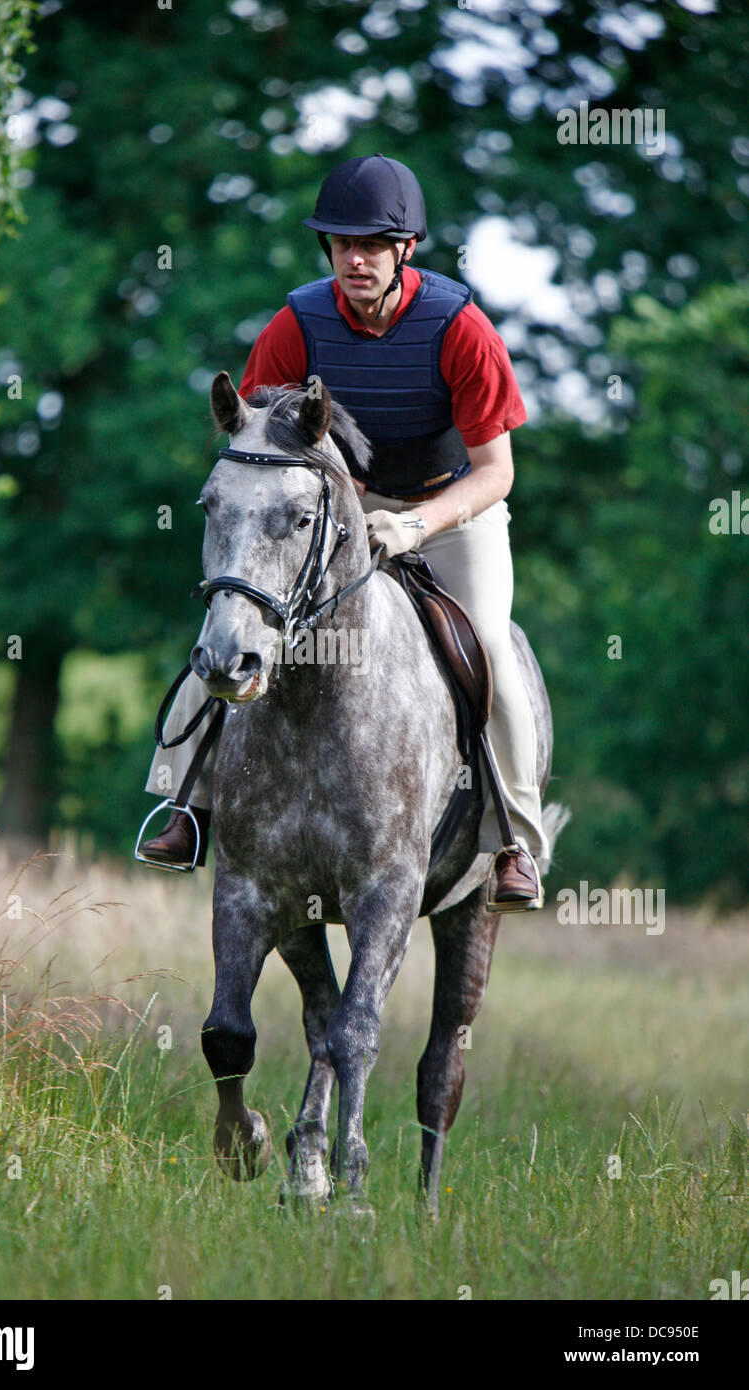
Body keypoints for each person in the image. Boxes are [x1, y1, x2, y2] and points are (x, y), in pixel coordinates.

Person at [139, 153, 549, 909]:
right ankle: (182, 806)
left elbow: (497, 472)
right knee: (231, 626)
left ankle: (515, 841)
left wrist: (416, 523)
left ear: (405, 250)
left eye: (370, 245)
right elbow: (260, 443)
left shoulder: (461, 330)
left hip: (452, 508)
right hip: (339, 509)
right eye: (340, 244)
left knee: (489, 641)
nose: (354, 258)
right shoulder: (298, 324)